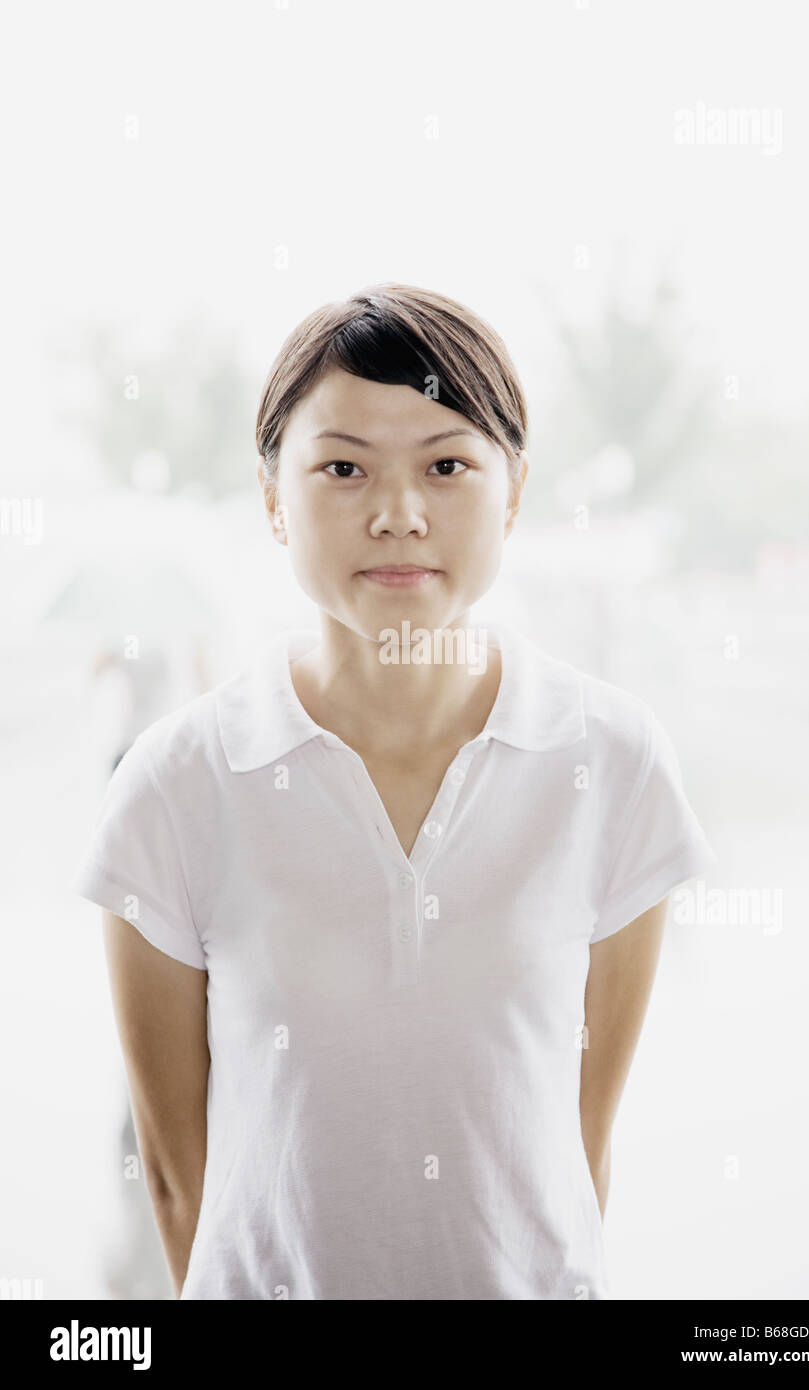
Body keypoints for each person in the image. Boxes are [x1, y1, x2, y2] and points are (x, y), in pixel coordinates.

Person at [70, 283, 716, 1300]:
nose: (398, 512)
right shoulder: (177, 780)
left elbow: (577, 1142)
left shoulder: (612, 761)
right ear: (274, 497)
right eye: (341, 468)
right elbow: (176, 1171)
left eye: (446, 464)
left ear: (511, 492)